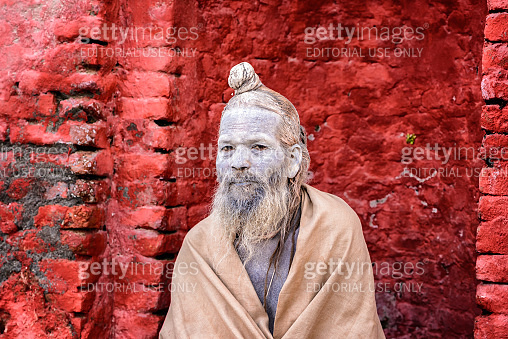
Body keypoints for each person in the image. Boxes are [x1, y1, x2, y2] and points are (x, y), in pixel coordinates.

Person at [159, 62, 385, 339]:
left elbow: (352, 329)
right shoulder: (200, 247)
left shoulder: (336, 227)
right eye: (227, 148)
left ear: (293, 161)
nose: (239, 163)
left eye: (258, 147)